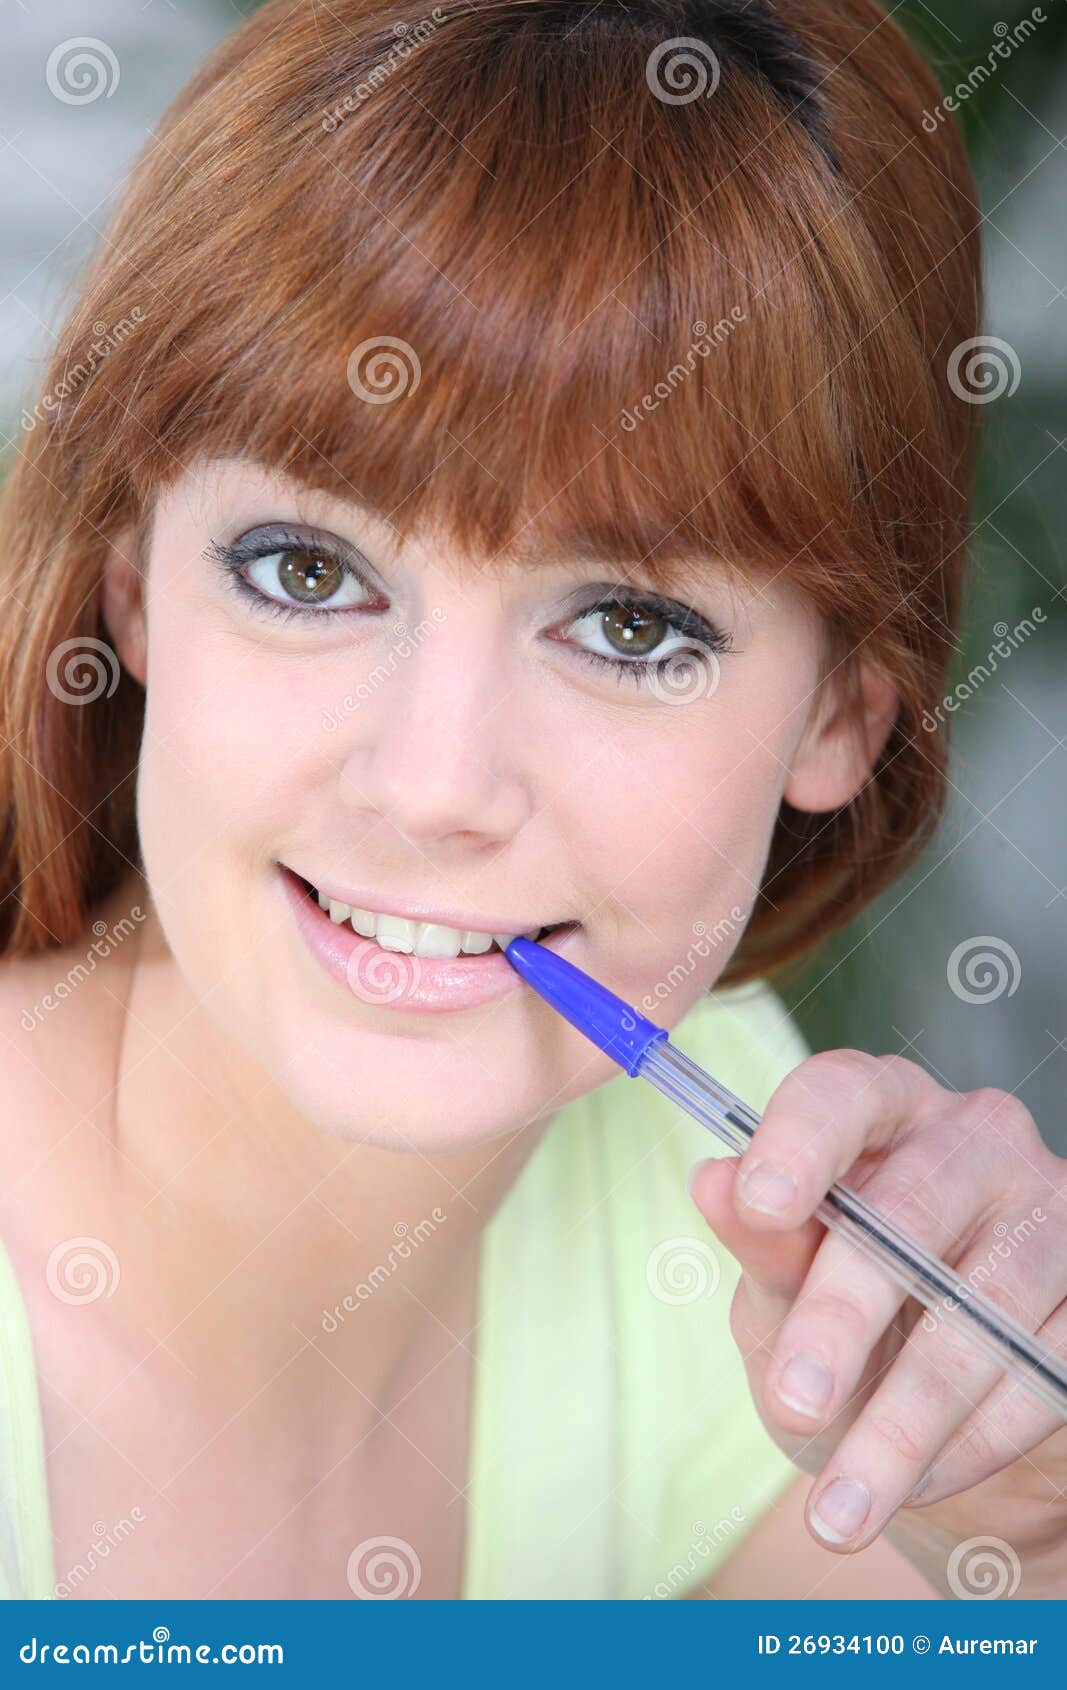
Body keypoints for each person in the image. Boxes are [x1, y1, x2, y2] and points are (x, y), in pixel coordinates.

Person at [0, 0, 1062, 1600]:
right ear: (131, 586)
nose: (432, 789)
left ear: (841, 715)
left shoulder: (726, 1205)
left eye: (630, 625)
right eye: (306, 569)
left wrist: (1024, 1545)